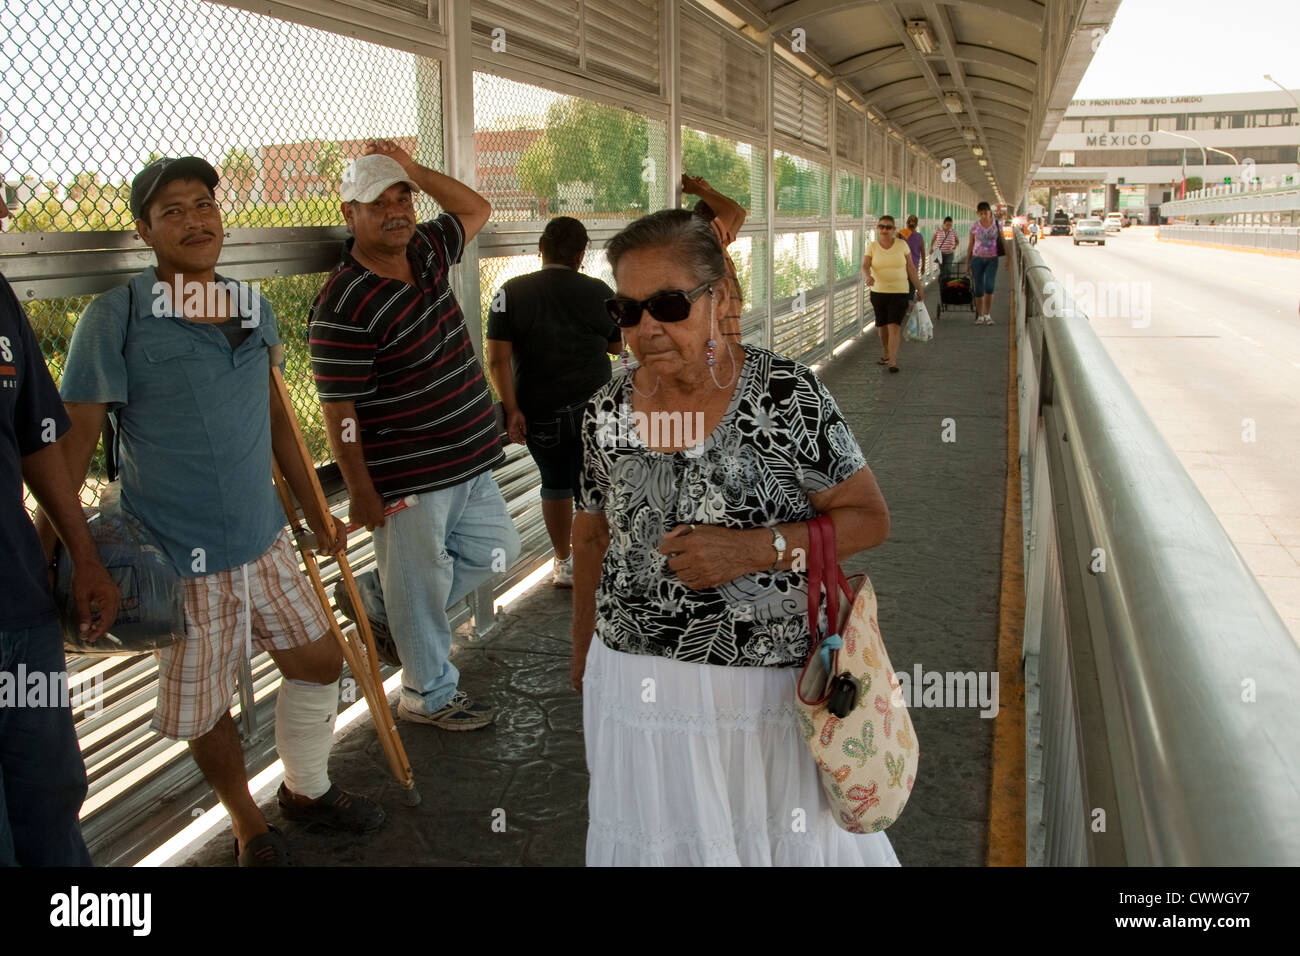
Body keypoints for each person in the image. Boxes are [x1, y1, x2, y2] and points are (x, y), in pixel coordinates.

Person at [53, 156, 384, 867]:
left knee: (322, 661)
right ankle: (247, 825)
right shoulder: (115, 317)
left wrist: (312, 511)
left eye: (203, 204)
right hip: (176, 555)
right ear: (144, 229)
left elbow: (274, 419)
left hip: (264, 538)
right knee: (206, 709)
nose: (194, 220)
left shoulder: (249, 304)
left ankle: (305, 788)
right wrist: (73, 555)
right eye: (171, 210)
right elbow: (73, 449)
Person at [571, 209, 897, 867]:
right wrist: (583, 659)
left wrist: (754, 549)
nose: (647, 329)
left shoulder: (787, 396)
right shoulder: (606, 408)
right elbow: (590, 537)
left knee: (770, 841)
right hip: (633, 689)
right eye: (627, 311)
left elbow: (868, 516)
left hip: (766, 695)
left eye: (667, 304)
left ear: (718, 296)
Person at [309, 140, 520, 731]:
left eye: (403, 197)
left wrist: (418, 170)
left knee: (497, 548)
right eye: (380, 201)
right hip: (408, 476)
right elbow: (339, 412)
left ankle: (379, 598)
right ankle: (427, 693)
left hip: (471, 457)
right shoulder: (344, 302)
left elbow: (476, 210)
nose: (398, 210)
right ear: (350, 214)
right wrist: (361, 492)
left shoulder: (425, 249)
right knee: (422, 588)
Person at [1, 183, 120, 866]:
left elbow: (40, 441)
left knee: (50, 802)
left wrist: (84, 556)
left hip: (19, 614)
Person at [485, 217, 620, 588]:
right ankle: (597, 558)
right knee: (593, 483)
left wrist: (511, 409)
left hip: (539, 409)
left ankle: (564, 562)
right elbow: (617, 346)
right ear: (580, 254)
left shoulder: (509, 292)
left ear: (541, 249)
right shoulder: (599, 292)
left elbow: (496, 359)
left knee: (555, 484)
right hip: (595, 408)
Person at [682, 175, 746, 341]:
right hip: (715, 347)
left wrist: (708, 191)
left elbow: (739, 212)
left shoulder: (719, 246)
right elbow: (732, 211)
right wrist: (697, 190)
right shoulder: (705, 243)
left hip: (729, 345)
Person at [862, 215, 924, 373]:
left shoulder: (902, 245)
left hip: (900, 291)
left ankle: (893, 361)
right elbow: (865, 265)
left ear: (894, 229)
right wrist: (868, 276)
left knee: (894, 325)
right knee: (882, 326)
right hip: (879, 292)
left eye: (888, 227)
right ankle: (886, 351)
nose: (884, 230)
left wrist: (919, 288)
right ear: (877, 228)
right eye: (881, 226)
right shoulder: (872, 246)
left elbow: (911, 268)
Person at [965, 201, 1006, 326]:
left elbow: (1003, 241)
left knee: (989, 286)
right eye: (980, 213)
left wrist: (1008, 259)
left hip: (992, 259)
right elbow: (971, 245)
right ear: (978, 213)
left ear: (990, 212)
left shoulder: (997, 225)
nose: (983, 216)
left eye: (985, 213)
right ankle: (980, 316)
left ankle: (988, 314)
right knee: (978, 288)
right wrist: (967, 263)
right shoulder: (974, 226)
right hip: (977, 259)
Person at [898, 214, 926, 300]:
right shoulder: (919, 237)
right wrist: (923, 266)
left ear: (907, 223)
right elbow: (923, 253)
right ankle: (908, 308)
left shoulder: (900, 234)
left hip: (901, 267)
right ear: (916, 225)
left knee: (900, 290)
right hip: (914, 267)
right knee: (911, 290)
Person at [930, 216, 959, 284]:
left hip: (950, 253)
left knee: (948, 269)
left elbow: (957, 241)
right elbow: (933, 239)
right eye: (947, 225)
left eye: (950, 225)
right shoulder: (938, 231)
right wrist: (931, 247)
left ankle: (947, 284)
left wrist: (955, 246)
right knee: (942, 270)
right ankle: (942, 283)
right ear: (943, 224)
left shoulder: (953, 232)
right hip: (940, 254)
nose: (949, 227)